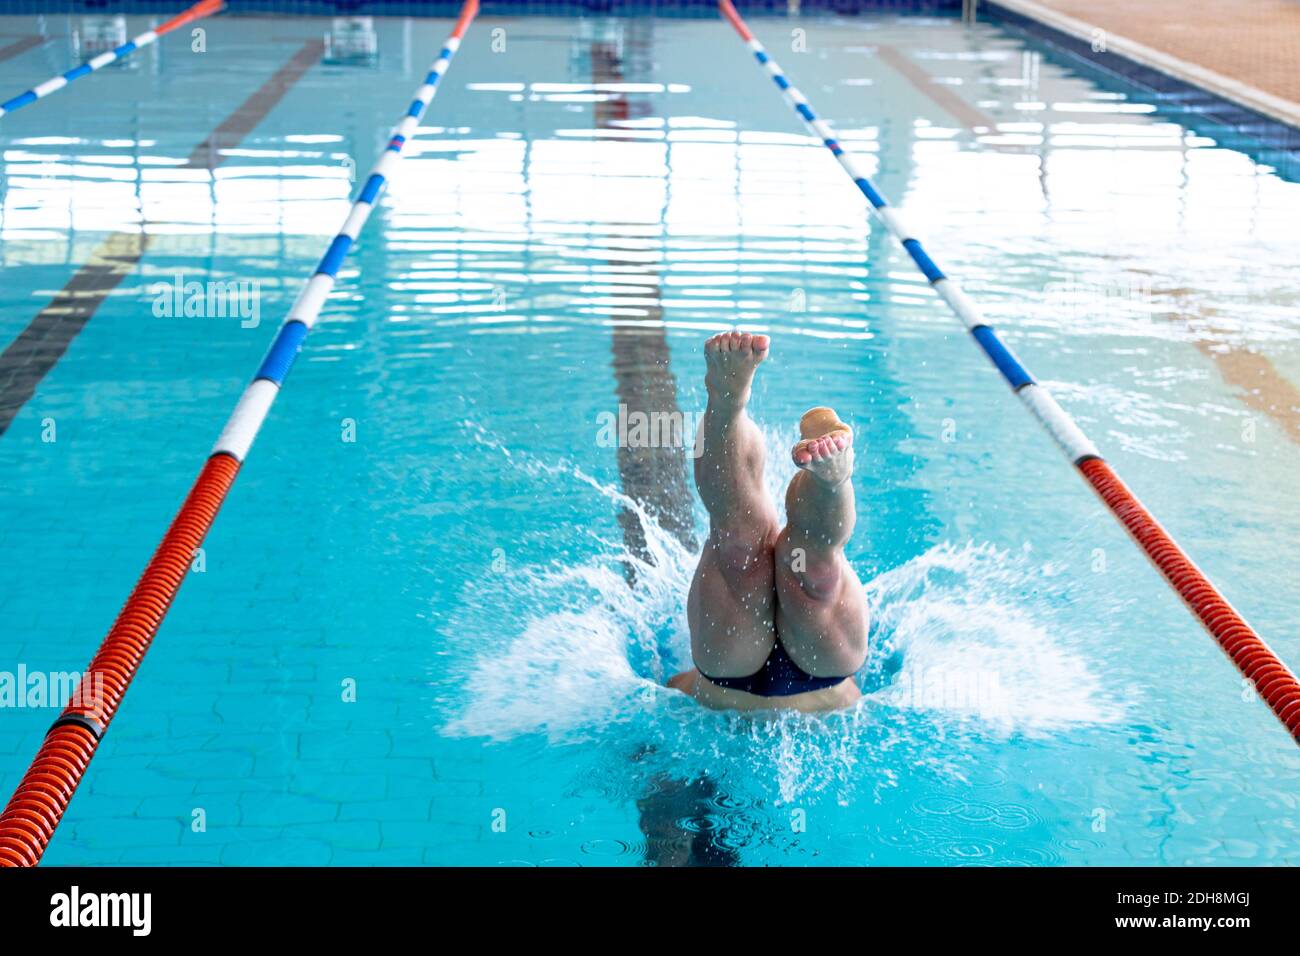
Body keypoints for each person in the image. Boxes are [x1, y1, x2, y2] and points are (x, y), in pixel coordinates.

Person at [669, 332, 869, 712]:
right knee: (815, 567)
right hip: (829, 681)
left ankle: (726, 402)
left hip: (723, 684)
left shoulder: (678, 695)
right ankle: (831, 481)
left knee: (739, 545)